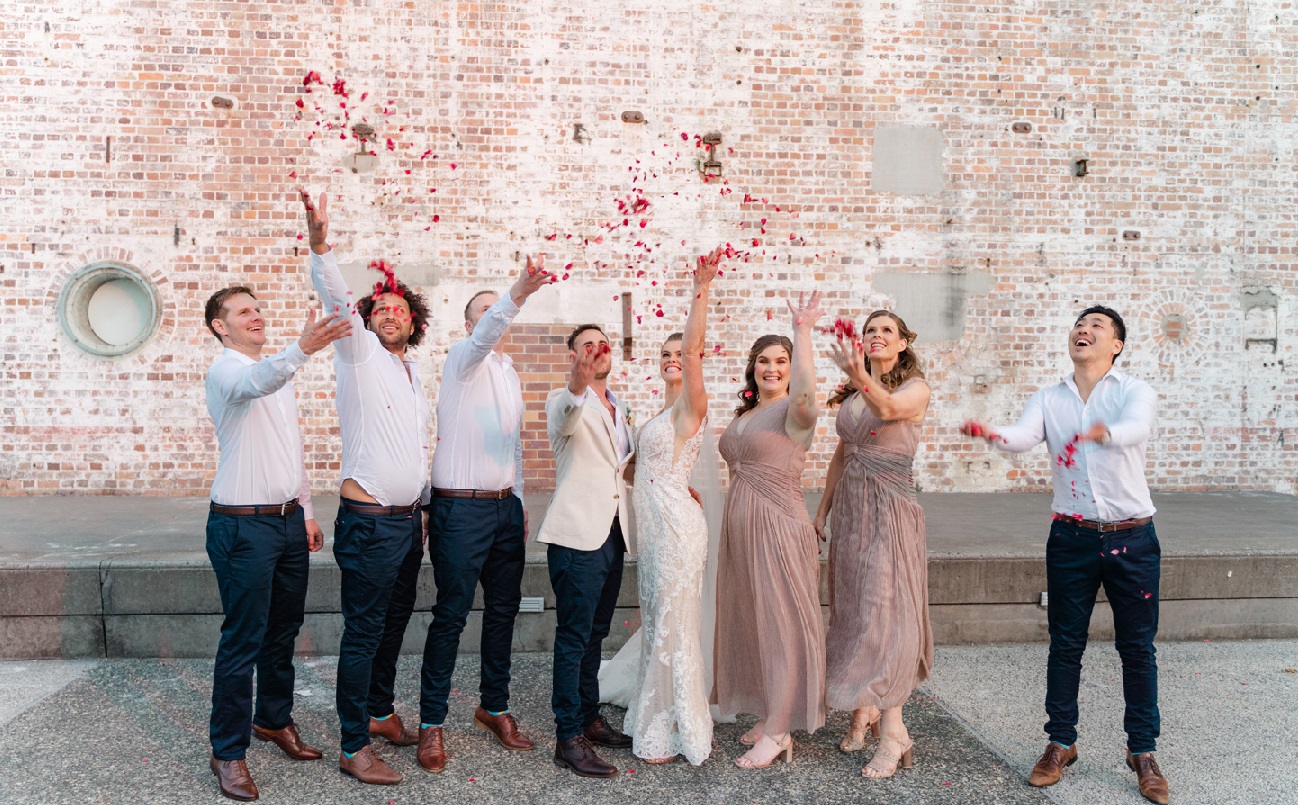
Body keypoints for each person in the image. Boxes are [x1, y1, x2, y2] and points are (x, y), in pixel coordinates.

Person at [961, 306, 1167, 805]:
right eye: (1080, 324)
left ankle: (1142, 751)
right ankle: (1060, 743)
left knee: (1137, 648)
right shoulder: (1050, 398)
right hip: (1071, 539)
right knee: (1065, 644)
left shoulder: (1133, 392)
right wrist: (992, 433)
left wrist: (1104, 432)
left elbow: (1137, 427)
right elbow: (1024, 435)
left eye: (1097, 326)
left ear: (1116, 344)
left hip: (1132, 538)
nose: (1084, 330)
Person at [302, 190, 433, 786]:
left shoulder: (411, 373)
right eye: (378, 308)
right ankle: (354, 745)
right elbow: (333, 294)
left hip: (408, 524)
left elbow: (411, 451)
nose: (388, 313)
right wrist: (321, 245)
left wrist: (423, 509)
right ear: (365, 319)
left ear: (414, 322)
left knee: (393, 623)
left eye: (398, 309)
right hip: (371, 524)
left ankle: (379, 714)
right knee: (363, 632)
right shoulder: (358, 355)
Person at [202, 285, 351, 801]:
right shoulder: (227, 370)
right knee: (243, 639)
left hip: (287, 523)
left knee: (283, 630)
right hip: (242, 525)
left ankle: (272, 720)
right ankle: (229, 752)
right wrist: (302, 349)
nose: (256, 316)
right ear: (221, 326)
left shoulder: (277, 376)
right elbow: (255, 382)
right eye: (244, 312)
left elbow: (291, 448)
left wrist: (306, 510)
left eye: (258, 309)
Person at [413, 257, 555, 773]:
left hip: (502, 510)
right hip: (460, 509)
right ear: (471, 324)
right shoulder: (462, 359)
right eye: (486, 312)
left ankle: (494, 707)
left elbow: (513, 445)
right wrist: (517, 292)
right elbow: (492, 327)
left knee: (503, 611)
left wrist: (516, 500)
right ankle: (431, 724)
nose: (495, 318)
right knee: (451, 615)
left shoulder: (509, 371)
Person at [814, 310, 933, 779]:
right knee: (855, 611)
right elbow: (843, 453)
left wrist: (858, 374)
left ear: (903, 343)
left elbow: (888, 409)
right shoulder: (855, 392)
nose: (876, 336)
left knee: (888, 617)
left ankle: (894, 732)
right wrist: (822, 510)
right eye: (870, 330)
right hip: (851, 513)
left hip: (891, 513)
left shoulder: (914, 388)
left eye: (887, 330)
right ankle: (863, 706)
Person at [712, 292, 827, 769]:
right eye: (764, 360)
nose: (772, 367)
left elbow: (805, 397)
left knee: (779, 625)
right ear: (752, 367)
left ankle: (779, 731)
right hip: (742, 529)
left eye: (782, 361)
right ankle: (768, 713)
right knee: (754, 622)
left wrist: (802, 332)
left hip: (778, 528)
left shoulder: (793, 414)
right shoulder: (747, 414)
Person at [620, 250, 722, 765]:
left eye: (679, 354)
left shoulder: (690, 405)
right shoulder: (660, 412)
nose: (672, 358)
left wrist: (700, 290)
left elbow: (696, 350)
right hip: (659, 526)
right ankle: (654, 708)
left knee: (676, 622)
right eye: (665, 353)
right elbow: (647, 468)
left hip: (678, 533)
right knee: (659, 617)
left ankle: (680, 723)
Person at [536, 323, 636, 778]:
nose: (597, 351)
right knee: (573, 638)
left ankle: (589, 717)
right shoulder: (563, 401)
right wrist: (579, 381)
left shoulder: (620, 405)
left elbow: (625, 469)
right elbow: (567, 413)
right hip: (576, 536)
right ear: (574, 356)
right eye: (586, 346)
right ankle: (568, 737)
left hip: (613, 535)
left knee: (596, 633)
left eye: (602, 343)